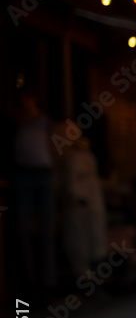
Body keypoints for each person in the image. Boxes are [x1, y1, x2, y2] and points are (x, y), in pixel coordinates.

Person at [12, 89, 57, 295]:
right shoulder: (15, 122)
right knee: (22, 229)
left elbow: (55, 147)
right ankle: (28, 284)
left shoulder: (45, 122)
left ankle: (47, 284)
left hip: (43, 174)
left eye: (28, 97)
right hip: (23, 174)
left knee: (46, 229)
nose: (26, 101)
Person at [54, 122, 108, 278]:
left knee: (93, 242)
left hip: (89, 204)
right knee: (78, 244)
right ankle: (85, 280)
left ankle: (93, 280)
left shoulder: (86, 157)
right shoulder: (69, 160)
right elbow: (68, 185)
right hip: (78, 206)